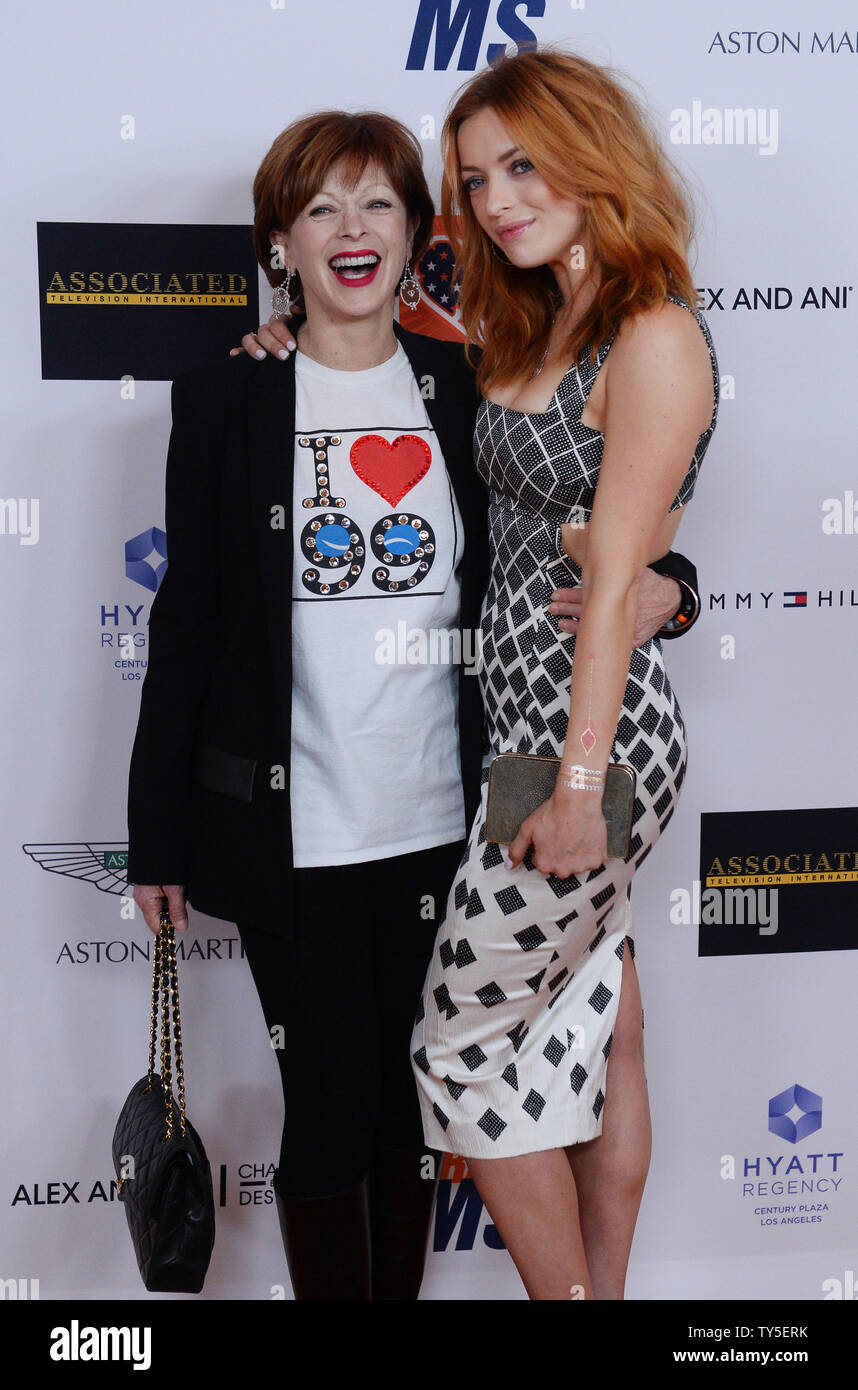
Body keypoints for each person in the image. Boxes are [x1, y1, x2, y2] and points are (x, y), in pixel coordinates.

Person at [128, 107, 701, 1301]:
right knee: (327, 1111)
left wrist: (675, 587)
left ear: (414, 237)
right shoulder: (228, 399)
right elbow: (182, 629)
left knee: (419, 1106)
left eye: (379, 203)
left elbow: (582, 526)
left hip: (456, 813)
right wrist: (156, 834)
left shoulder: (468, 381)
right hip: (298, 829)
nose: (353, 228)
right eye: (322, 206)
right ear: (279, 243)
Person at [406, 48, 720, 1301]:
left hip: (592, 738)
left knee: (463, 1045)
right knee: (600, 1029)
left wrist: (581, 782)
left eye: (525, 164)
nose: (498, 199)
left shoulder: (652, 332)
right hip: (520, 726)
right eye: (477, 179)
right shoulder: (536, 318)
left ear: (596, 153)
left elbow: (611, 597)